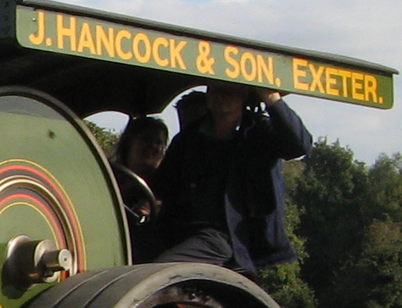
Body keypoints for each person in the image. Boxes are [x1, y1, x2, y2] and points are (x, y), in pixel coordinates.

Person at [148, 81, 310, 277]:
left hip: (230, 238)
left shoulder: (260, 132)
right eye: (214, 87)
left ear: (245, 94)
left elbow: (299, 145)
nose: (219, 94)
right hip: (182, 233)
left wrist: (270, 97)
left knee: (158, 273)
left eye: (228, 89)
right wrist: (146, 204)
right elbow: (162, 188)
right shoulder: (188, 139)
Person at [112, 115, 169, 260]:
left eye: (159, 142)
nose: (153, 146)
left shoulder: (165, 184)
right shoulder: (109, 175)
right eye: (146, 140)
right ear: (129, 142)